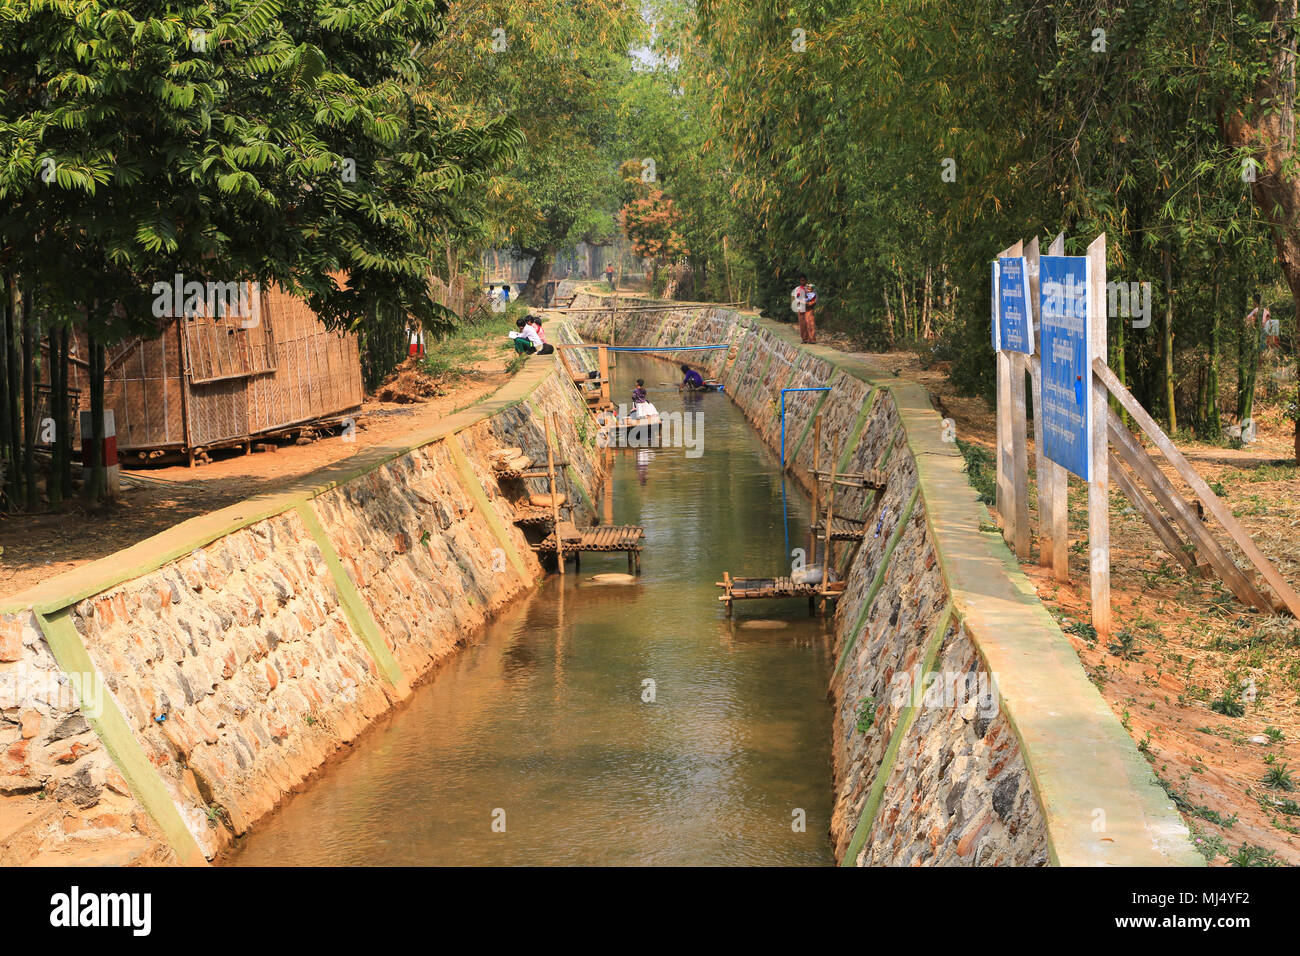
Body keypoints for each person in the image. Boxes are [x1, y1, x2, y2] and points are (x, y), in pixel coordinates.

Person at [791, 273, 816, 344]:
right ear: (800, 281)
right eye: (801, 280)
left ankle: (812, 339)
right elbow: (796, 299)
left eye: (804, 280)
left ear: (806, 280)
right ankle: (804, 339)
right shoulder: (797, 289)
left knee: (810, 323)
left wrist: (810, 303)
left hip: (809, 308)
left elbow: (814, 298)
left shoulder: (810, 288)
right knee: (802, 324)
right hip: (801, 308)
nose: (803, 282)